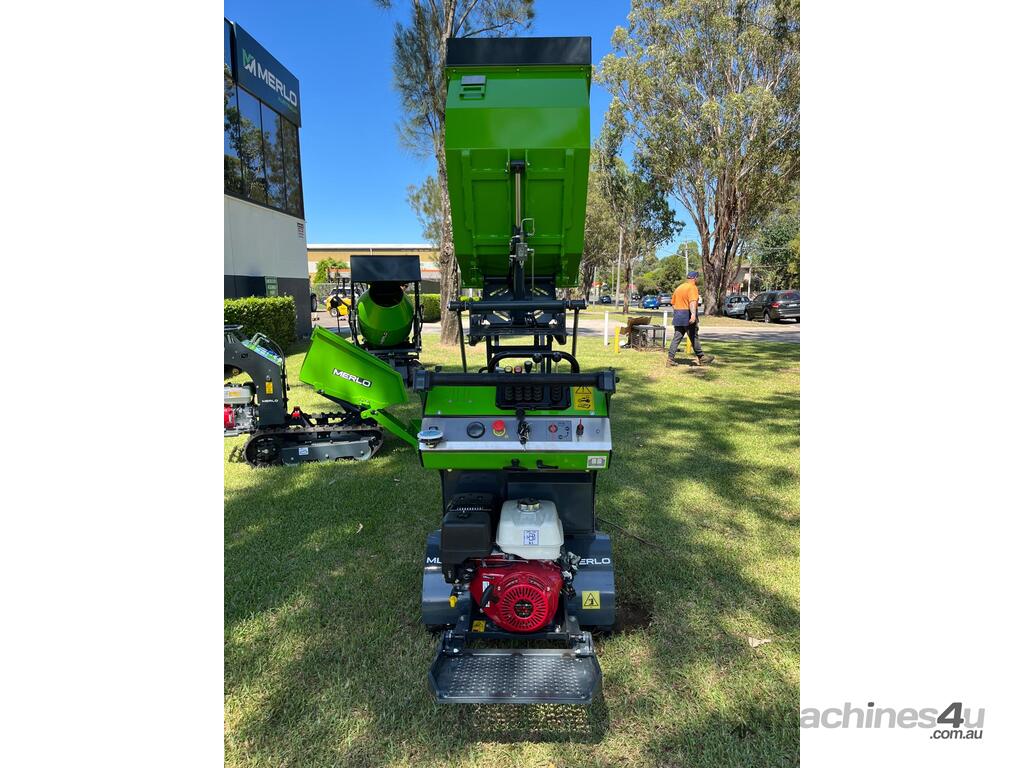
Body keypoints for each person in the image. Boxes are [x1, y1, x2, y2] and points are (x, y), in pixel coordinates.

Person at [666, 271, 715, 367]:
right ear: (695, 278)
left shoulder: (679, 288)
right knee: (693, 336)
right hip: (687, 314)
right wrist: (693, 314)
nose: (697, 280)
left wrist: (677, 313)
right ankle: (702, 357)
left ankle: (670, 359)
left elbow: (673, 303)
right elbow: (692, 302)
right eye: (697, 278)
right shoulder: (692, 288)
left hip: (678, 315)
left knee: (677, 337)